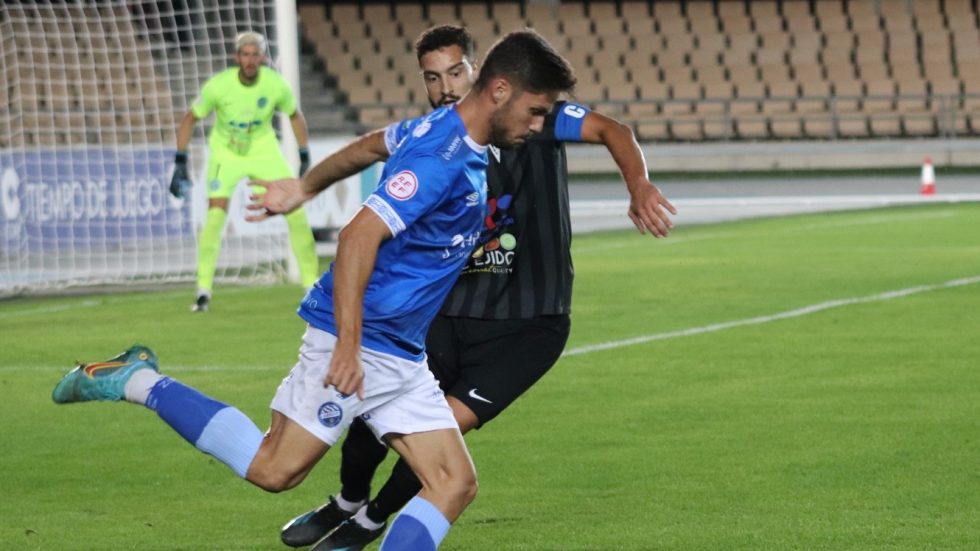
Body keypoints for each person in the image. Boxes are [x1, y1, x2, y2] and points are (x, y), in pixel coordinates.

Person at [51, 29, 578, 551]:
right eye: (535, 111)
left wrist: (306, 186)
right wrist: (348, 345)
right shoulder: (439, 159)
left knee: (453, 484)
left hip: (399, 349)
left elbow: (372, 145)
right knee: (273, 469)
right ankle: (138, 380)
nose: (538, 125)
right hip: (359, 340)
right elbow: (356, 237)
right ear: (501, 91)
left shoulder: (445, 131)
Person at [264, 25, 677, 550]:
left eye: (456, 72)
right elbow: (369, 149)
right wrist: (305, 186)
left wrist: (638, 184)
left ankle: (372, 520)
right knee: (371, 418)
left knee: (447, 431)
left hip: (528, 321)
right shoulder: (436, 135)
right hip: (450, 311)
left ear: (483, 74)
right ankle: (346, 502)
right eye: (433, 78)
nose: (445, 86)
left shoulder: (537, 118)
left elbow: (614, 130)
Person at [170, 31, 319, 313]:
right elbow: (190, 118)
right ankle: (203, 291)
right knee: (215, 216)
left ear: (263, 57)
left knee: (295, 211)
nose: (250, 60)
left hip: (263, 149)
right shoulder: (219, 85)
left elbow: (294, 115)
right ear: (236, 57)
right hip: (226, 152)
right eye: (245, 54)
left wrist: (303, 154)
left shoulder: (275, 85)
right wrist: (180, 160)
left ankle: (311, 287)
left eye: (255, 54)